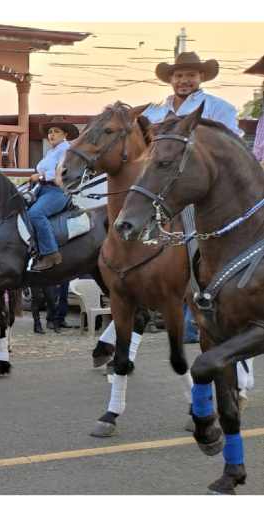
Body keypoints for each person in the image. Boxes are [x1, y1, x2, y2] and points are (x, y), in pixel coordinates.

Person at [142, 51, 253, 405]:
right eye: (179, 75)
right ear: (170, 79)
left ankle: (214, 326)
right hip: (167, 190)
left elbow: (234, 150)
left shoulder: (218, 107)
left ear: (201, 78)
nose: (184, 80)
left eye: (190, 75)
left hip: (208, 193)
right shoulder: (154, 112)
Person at [28, 117, 76, 272]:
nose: (52, 135)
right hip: (41, 189)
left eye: (56, 131)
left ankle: (51, 253)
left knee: (35, 214)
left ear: (65, 134)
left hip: (57, 191)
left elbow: (61, 173)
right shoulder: (51, 151)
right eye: (50, 132)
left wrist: (40, 177)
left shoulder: (66, 149)